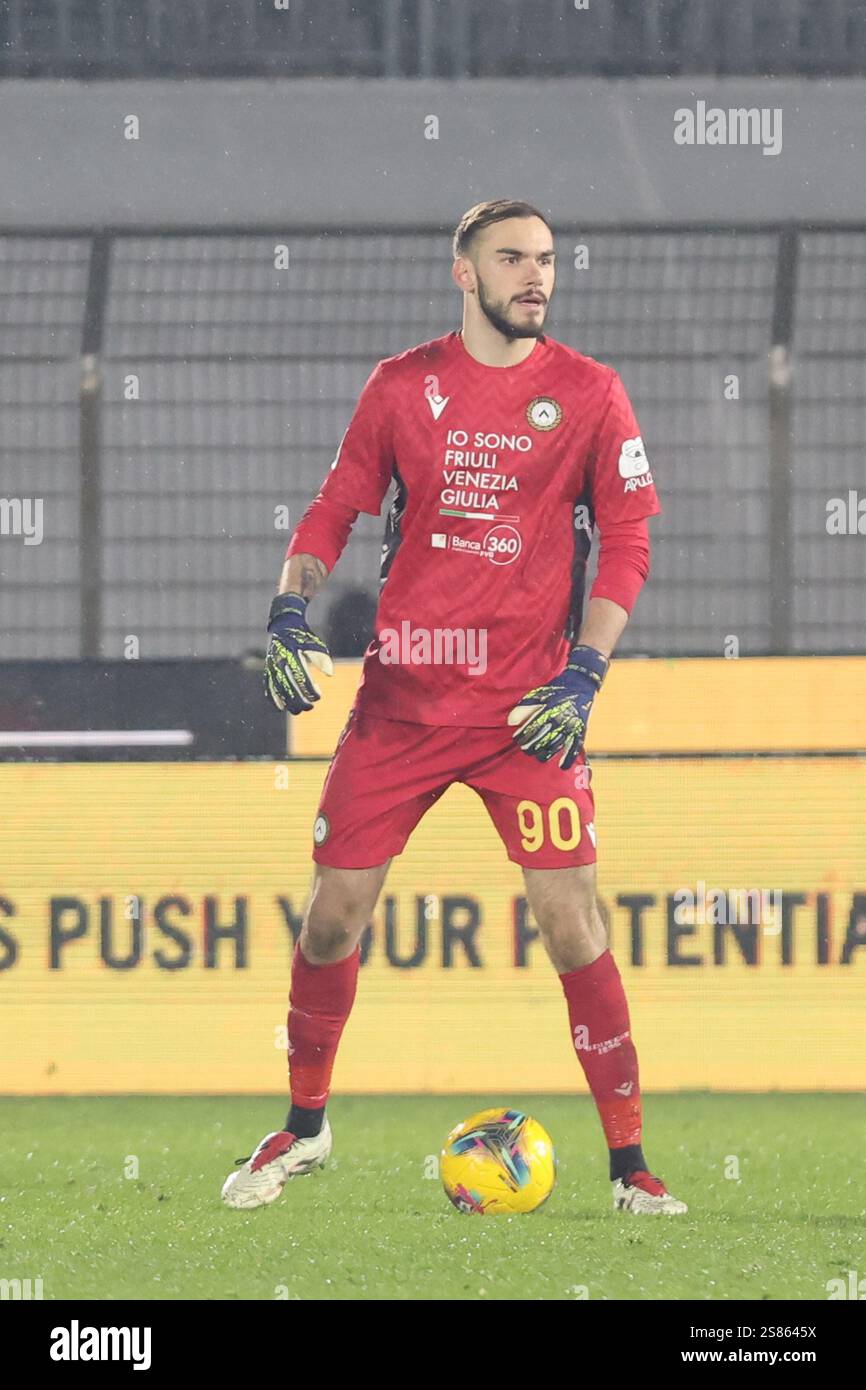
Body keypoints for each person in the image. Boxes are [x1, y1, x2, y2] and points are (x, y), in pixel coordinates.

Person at [222, 198, 686, 1216]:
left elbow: (630, 541)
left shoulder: (592, 395)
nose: (536, 275)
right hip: (399, 704)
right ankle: (304, 1128)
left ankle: (629, 1166)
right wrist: (289, 605)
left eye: (548, 260)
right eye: (511, 258)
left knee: (572, 923)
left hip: (528, 715)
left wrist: (582, 675)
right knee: (333, 917)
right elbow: (335, 504)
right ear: (462, 273)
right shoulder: (401, 386)